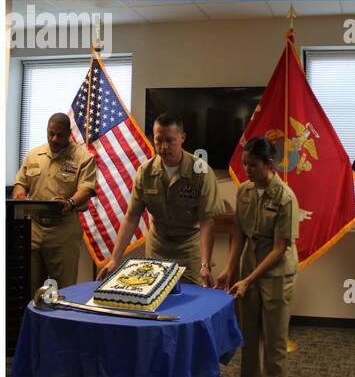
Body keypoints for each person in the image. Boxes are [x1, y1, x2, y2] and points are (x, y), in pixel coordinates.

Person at [98, 114, 223, 287]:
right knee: (154, 299)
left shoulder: (200, 172)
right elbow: (131, 217)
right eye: (159, 140)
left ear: (182, 138)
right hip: (157, 250)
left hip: (189, 251)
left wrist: (205, 264)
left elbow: (206, 221)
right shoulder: (145, 172)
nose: (164, 147)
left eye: (170, 140)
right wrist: (114, 259)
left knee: (191, 303)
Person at [217, 137, 299, 377]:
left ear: (269, 164)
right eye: (244, 164)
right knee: (248, 338)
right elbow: (239, 234)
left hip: (276, 275)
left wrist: (248, 280)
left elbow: (279, 248)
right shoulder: (244, 191)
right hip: (249, 269)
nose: (247, 170)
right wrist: (230, 268)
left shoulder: (285, 197)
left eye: (253, 165)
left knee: (274, 344)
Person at [12, 113, 96, 292]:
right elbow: (21, 182)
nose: (54, 139)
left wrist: (70, 202)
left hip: (63, 233)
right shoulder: (34, 155)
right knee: (29, 289)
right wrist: (19, 194)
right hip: (34, 231)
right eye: (50, 134)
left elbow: (86, 189)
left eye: (59, 135)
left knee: (65, 291)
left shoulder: (83, 158)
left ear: (69, 133)